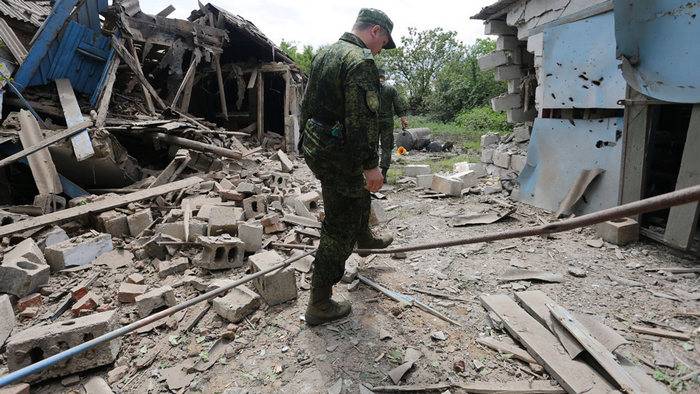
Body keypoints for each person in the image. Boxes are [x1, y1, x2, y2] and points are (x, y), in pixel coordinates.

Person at [299, 8, 396, 326]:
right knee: (338, 228)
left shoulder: (325, 53)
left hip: (321, 148)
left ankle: (364, 237)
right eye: (383, 41)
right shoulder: (360, 60)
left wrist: (306, 142)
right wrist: (371, 165)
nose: (380, 49)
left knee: (359, 197)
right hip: (342, 155)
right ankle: (320, 302)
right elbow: (360, 122)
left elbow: (307, 106)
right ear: (376, 31)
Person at [377, 68, 408, 179]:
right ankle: (383, 174)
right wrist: (403, 119)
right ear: (384, 77)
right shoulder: (391, 89)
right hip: (387, 122)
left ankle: (372, 174)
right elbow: (398, 105)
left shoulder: (370, 89)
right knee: (386, 147)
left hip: (373, 122)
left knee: (372, 147)